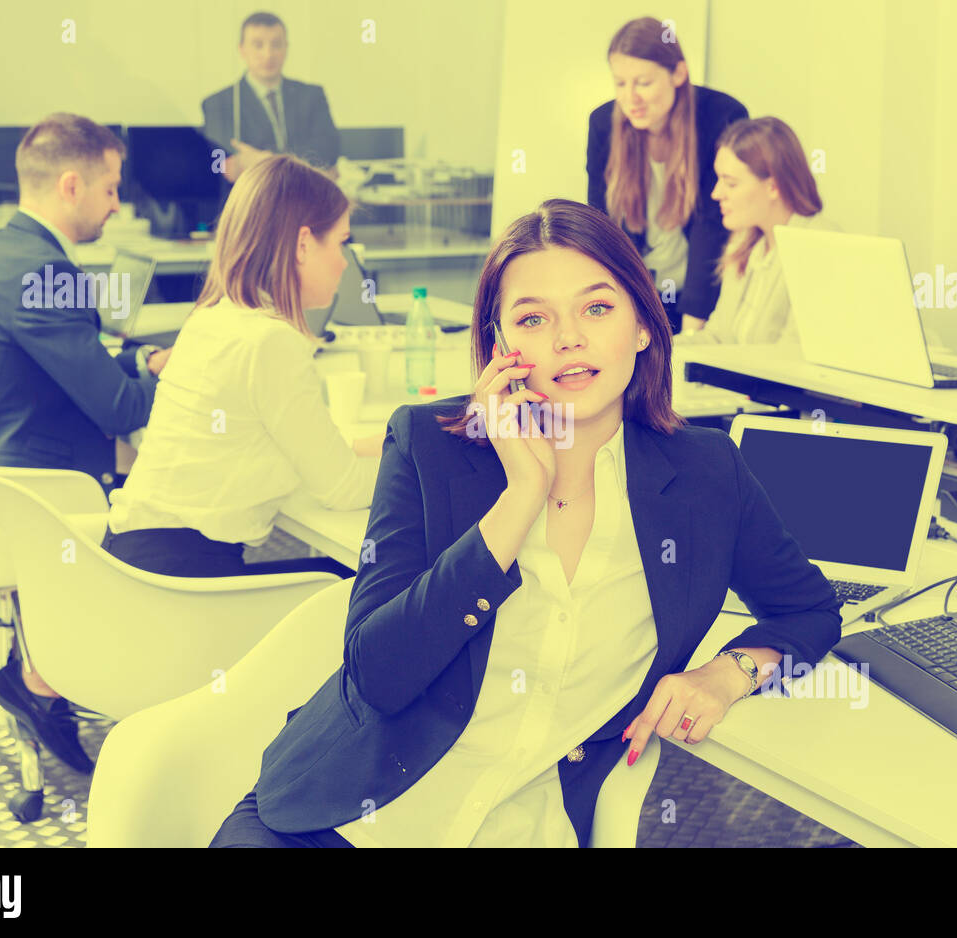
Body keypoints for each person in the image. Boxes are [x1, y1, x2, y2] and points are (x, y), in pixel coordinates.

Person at [208, 198, 842, 848]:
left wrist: (731, 670)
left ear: (645, 326)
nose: (569, 338)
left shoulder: (708, 474)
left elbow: (811, 613)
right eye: (534, 318)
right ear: (500, 347)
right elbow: (379, 676)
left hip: (525, 824)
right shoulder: (428, 444)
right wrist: (521, 495)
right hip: (342, 819)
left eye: (597, 308)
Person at [0, 113, 168, 775]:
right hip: (0, 491)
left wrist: (143, 363)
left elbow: (73, 368)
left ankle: (46, 670)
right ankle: (44, 680)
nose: (119, 204)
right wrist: (188, 379)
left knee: (139, 474)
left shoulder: (10, 252)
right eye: (112, 188)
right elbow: (115, 409)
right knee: (155, 510)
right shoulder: (42, 275)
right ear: (71, 185)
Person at [103, 155, 380, 579]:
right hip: (184, 585)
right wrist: (423, 466)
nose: (345, 261)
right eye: (341, 242)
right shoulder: (272, 342)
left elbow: (276, 436)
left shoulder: (213, 317)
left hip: (131, 564)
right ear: (303, 244)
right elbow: (342, 489)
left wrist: (382, 443)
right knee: (370, 587)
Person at [586, 16, 748, 335]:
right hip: (637, 292)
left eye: (643, 83)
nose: (631, 98)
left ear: (678, 73)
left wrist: (692, 331)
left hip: (703, 293)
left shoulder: (721, 116)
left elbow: (712, 225)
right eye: (621, 83)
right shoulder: (603, 123)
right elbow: (600, 223)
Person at [676, 116, 832, 348]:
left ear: (773, 186)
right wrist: (655, 350)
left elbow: (793, 358)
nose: (716, 193)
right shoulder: (744, 243)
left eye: (730, 183)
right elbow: (717, 336)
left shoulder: (818, 246)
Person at [201, 11, 341, 184]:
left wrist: (266, 159)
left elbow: (328, 149)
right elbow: (228, 166)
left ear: (286, 47)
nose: (268, 54)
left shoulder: (311, 95)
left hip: (305, 199)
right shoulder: (218, 103)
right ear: (242, 49)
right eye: (258, 45)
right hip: (251, 203)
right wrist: (304, 164)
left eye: (276, 44)